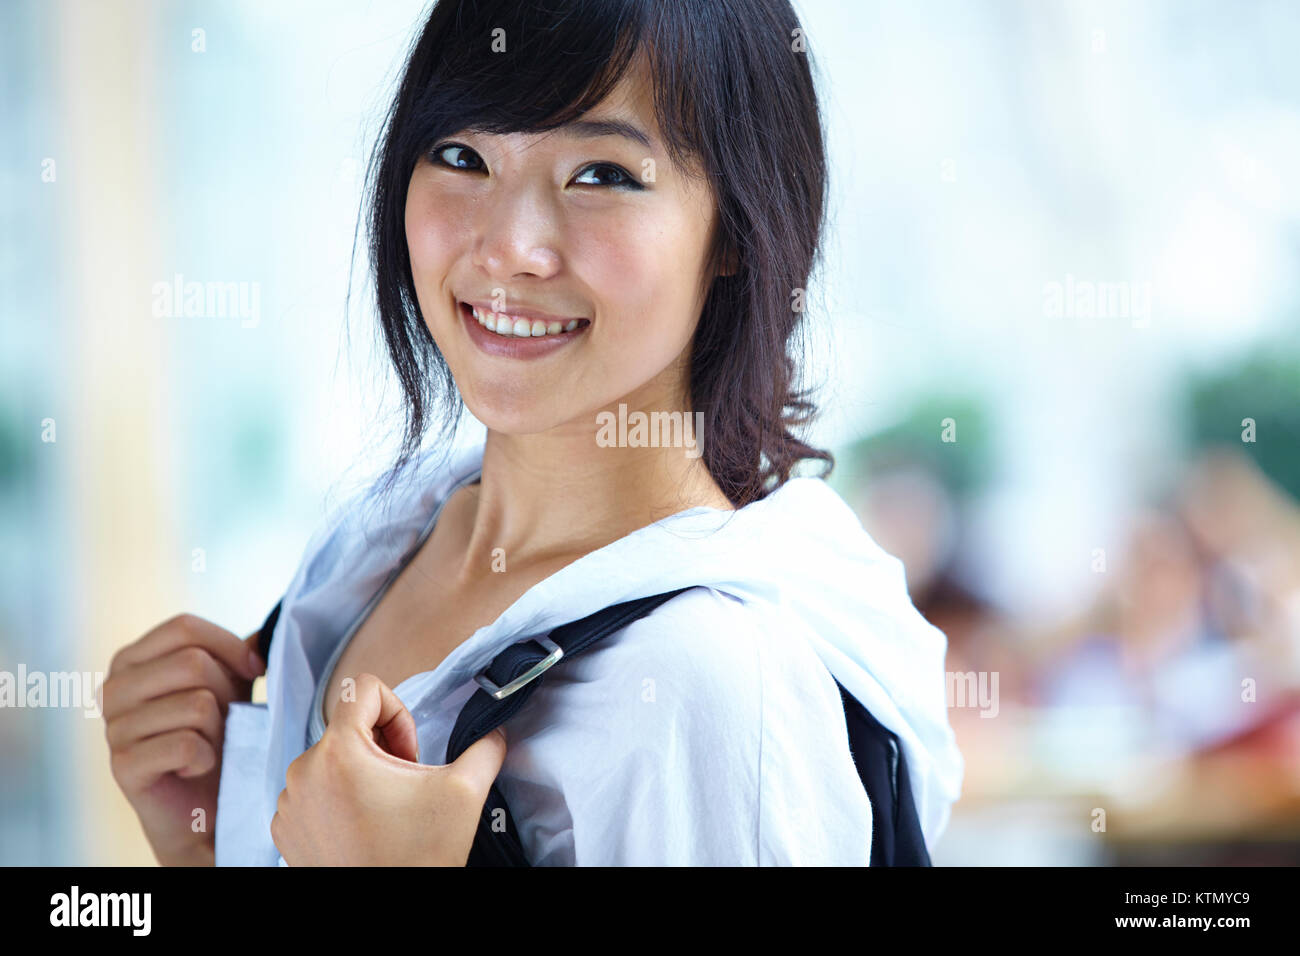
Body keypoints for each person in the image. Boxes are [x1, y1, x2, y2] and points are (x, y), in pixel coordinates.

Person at [104, 0, 964, 866]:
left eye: (602, 174)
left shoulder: (713, 682)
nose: (510, 248)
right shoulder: (377, 543)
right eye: (462, 155)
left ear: (735, 226)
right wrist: (201, 837)